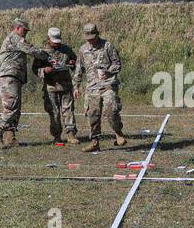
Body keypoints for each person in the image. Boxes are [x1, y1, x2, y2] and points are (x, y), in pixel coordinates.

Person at [0, 18, 54, 148]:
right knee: (11, 107)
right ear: (18, 28)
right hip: (8, 76)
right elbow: (31, 50)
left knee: (16, 108)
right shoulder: (15, 38)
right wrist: (47, 56)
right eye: (24, 30)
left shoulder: (14, 39)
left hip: (14, 77)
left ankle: (10, 138)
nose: (26, 33)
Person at [76, 22, 126, 152]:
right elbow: (78, 69)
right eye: (88, 38)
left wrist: (109, 71)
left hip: (108, 85)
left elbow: (117, 64)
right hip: (92, 87)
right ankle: (94, 142)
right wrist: (76, 86)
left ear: (97, 34)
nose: (91, 40)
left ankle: (118, 132)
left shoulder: (107, 46)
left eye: (93, 37)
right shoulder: (83, 50)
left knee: (111, 110)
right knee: (93, 114)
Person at [33, 27, 80, 145]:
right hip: (50, 86)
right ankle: (57, 136)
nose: (56, 44)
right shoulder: (42, 52)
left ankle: (71, 134)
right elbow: (35, 69)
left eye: (58, 41)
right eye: (54, 42)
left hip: (66, 85)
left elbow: (77, 63)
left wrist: (72, 64)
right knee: (53, 112)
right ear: (48, 39)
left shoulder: (67, 50)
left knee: (68, 110)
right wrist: (44, 70)